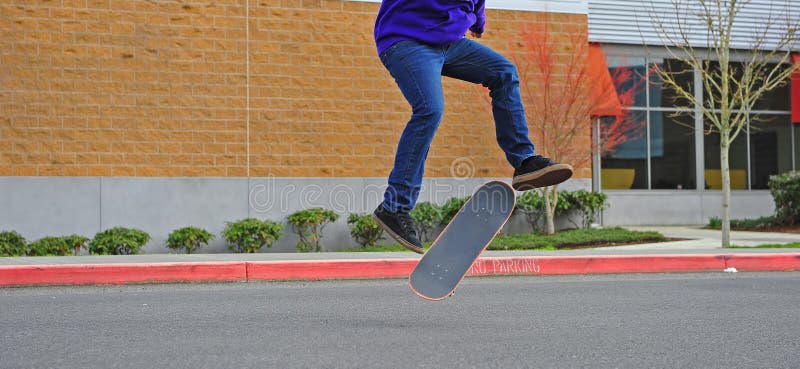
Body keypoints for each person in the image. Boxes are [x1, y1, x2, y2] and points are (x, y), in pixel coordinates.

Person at [371, 0, 574, 253]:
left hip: (449, 42)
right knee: (429, 109)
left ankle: (524, 162)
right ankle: (395, 206)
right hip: (405, 38)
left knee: (504, 72)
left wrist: (478, 20)